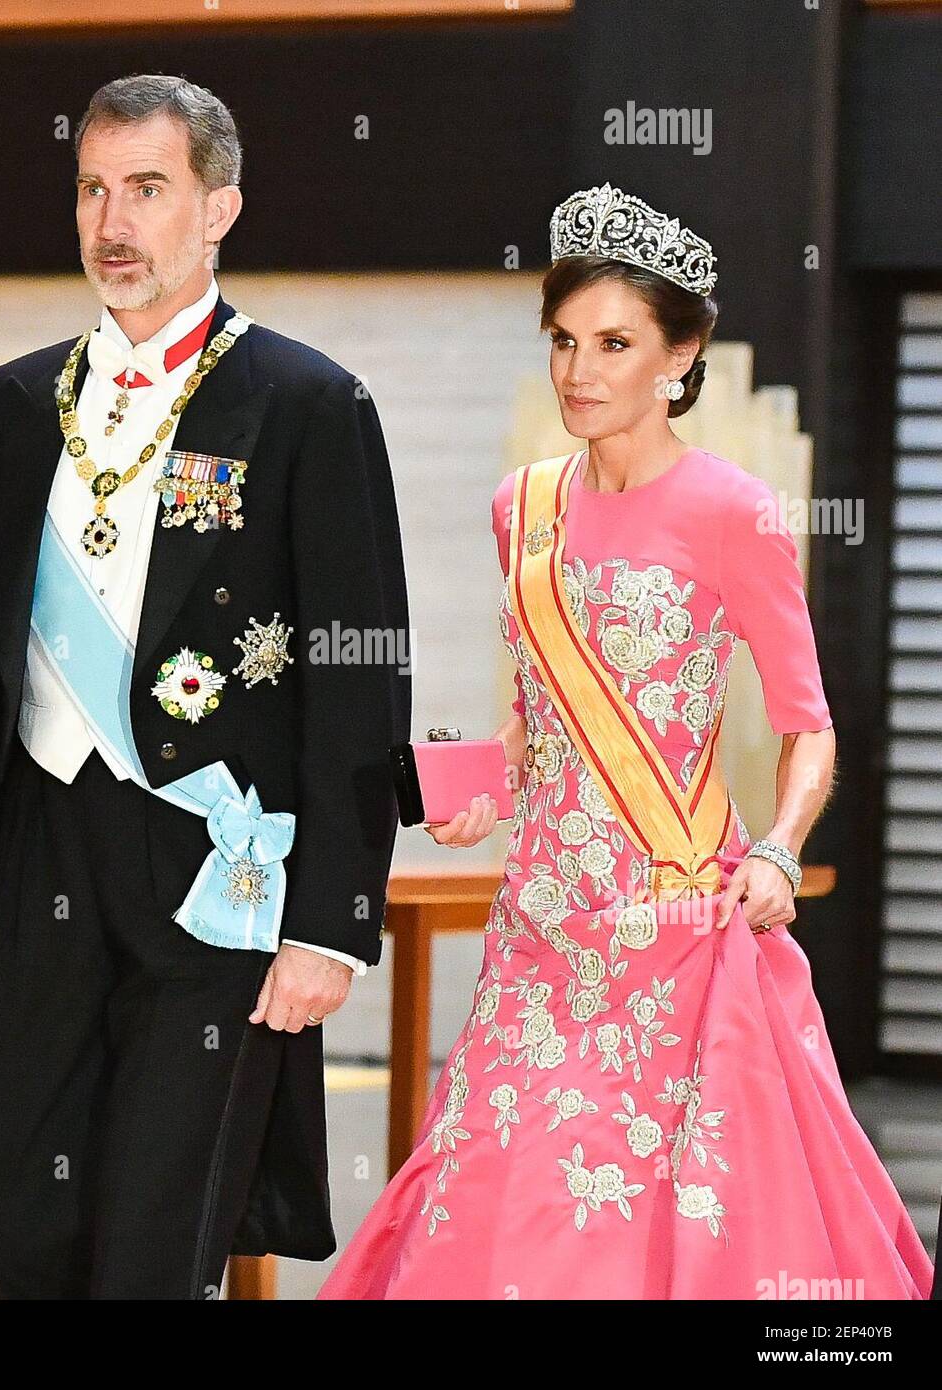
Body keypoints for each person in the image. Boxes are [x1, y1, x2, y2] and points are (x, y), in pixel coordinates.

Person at [318, 184, 934, 1300]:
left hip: (679, 926)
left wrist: (778, 849)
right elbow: (537, 717)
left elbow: (806, 725)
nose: (577, 372)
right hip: (541, 928)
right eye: (561, 340)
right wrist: (484, 792)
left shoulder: (732, 510)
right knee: (512, 1206)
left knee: (665, 1220)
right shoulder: (522, 506)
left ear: (679, 355)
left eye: (612, 343)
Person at [0, 73, 411, 1299]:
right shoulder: (19, 403)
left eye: (145, 189)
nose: (109, 223)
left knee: (155, 1239)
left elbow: (358, 675)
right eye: (90, 189)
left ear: (218, 207)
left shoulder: (303, 403)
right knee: (20, 1222)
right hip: (44, 853)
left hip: (213, 867)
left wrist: (331, 918)